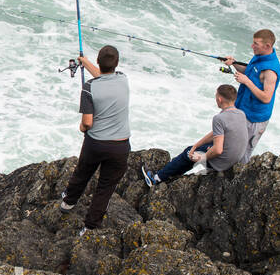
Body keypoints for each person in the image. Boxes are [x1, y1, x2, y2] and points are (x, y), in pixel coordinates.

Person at [59, 45, 131, 232]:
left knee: (82, 172)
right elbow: (104, 77)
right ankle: (90, 227)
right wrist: (85, 62)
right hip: (120, 147)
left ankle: (68, 203)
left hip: (96, 143)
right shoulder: (123, 80)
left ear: (99, 61)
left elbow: (88, 122)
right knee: (105, 188)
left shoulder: (89, 88)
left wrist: (81, 127)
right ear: (117, 64)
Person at [141, 84, 247, 186]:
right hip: (234, 159)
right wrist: (196, 145)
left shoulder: (219, 118)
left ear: (219, 99)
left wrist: (202, 157)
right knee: (193, 149)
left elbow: (218, 150)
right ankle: (173, 173)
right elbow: (215, 134)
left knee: (188, 153)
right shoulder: (241, 114)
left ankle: (156, 179)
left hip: (221, 163)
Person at [224, 28, 280, 164]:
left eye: (256, 43)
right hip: (242, 110)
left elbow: (266, 98)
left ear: (267, 46)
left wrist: (246, 81)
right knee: (230, 144)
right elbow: (250, 71)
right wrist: (234, 63)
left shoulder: (270, 71)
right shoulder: (259, 56)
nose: (252, 46)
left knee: (243, 152)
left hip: (254, 119)